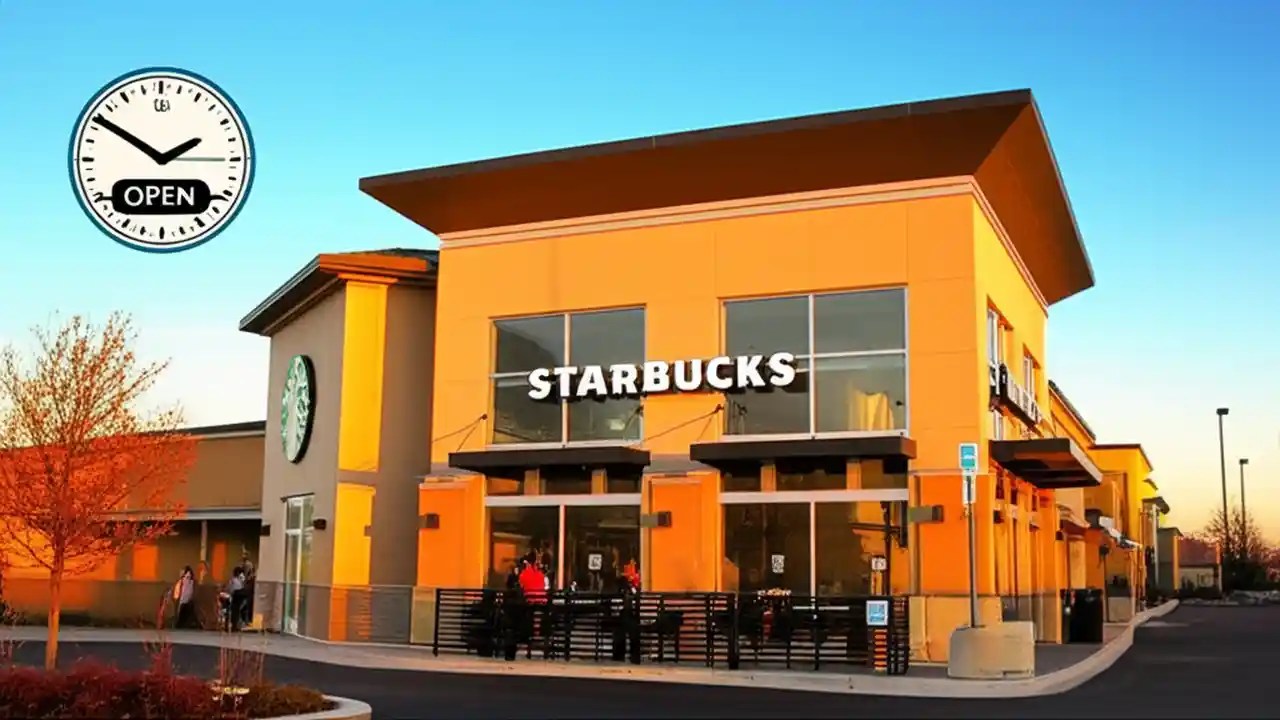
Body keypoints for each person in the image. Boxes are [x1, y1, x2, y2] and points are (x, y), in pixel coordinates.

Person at [225, 566, 247, 632]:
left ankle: (234, 625)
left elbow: (229, 589)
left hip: (235, 596)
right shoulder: (240, 581)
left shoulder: (233, 580)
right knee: (237, 612)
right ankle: (236, 625)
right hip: (240, 597)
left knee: (233, 612)